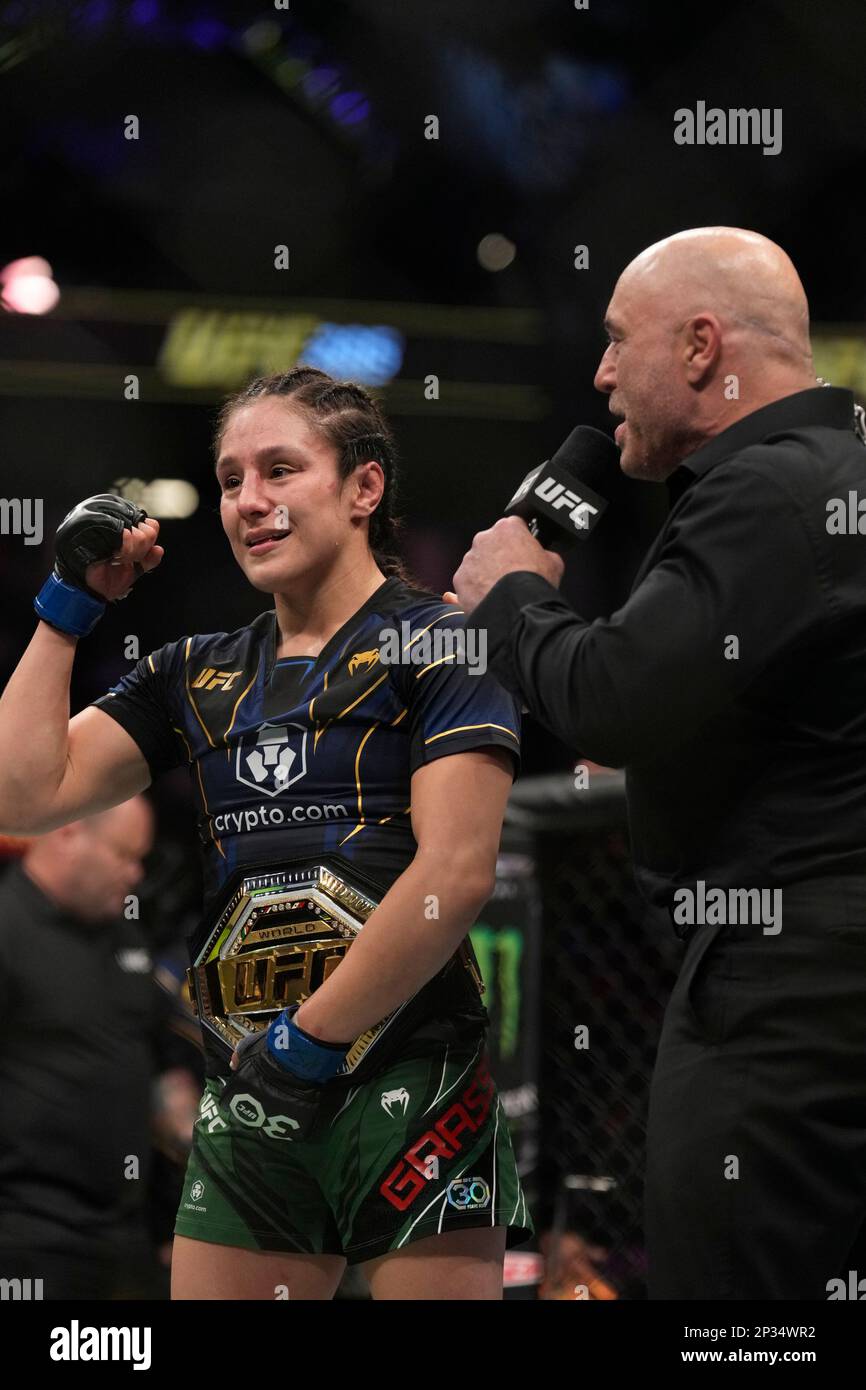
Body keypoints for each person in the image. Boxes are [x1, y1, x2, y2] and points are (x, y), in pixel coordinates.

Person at [0, 367, 532, 1301]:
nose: (250, 501)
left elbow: (458, 871)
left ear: (364, 488)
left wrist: (309, 1043)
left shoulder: (443, 643)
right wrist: (65, 607)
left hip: (412, 1085)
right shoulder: (192, 675)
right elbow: (20, 795)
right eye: (232, 478)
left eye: (281, 470)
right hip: (253, 1095)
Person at [453, 227, 866, 1300]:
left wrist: (511, 589)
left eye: (613, 340)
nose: (597, 375)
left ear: (697, 347)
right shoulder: (837, 477)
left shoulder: (766, 492)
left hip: (785, 994)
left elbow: (612, 699)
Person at [0, 797, 188, 1299]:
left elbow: (158, 1068)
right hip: (25, 1238)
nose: (134, 875)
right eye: (124, 855)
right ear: (69, 834)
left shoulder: (130, 941)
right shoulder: (7, 929)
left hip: (126, 1238)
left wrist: (184, 1205)